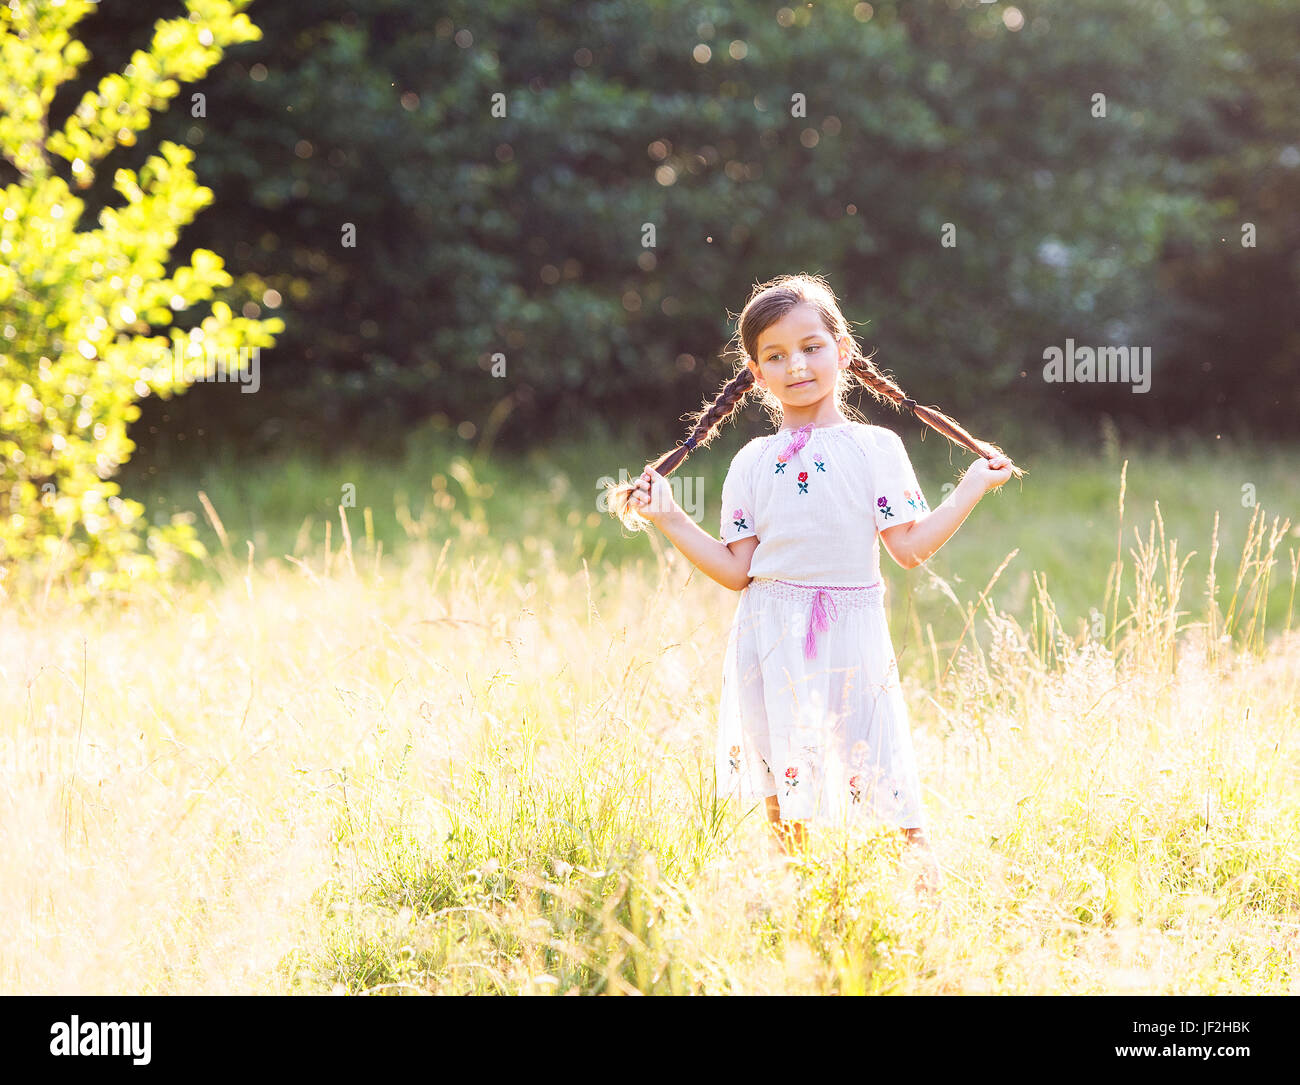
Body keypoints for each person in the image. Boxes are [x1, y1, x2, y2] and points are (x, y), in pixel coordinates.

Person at [607, 273, 1023, 899]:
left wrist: (969, 487)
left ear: (844, 350)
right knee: (785, 787)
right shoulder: (750, 461)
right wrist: (669, 517)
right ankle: (796, 906)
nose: (795, 365)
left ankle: (924, 905)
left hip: (852, 631)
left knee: (882, 771)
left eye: (810, 347)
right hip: (767, 633)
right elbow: (735, 571)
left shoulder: (874, 446)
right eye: (774, 356)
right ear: (754, 373)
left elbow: (907, 549)